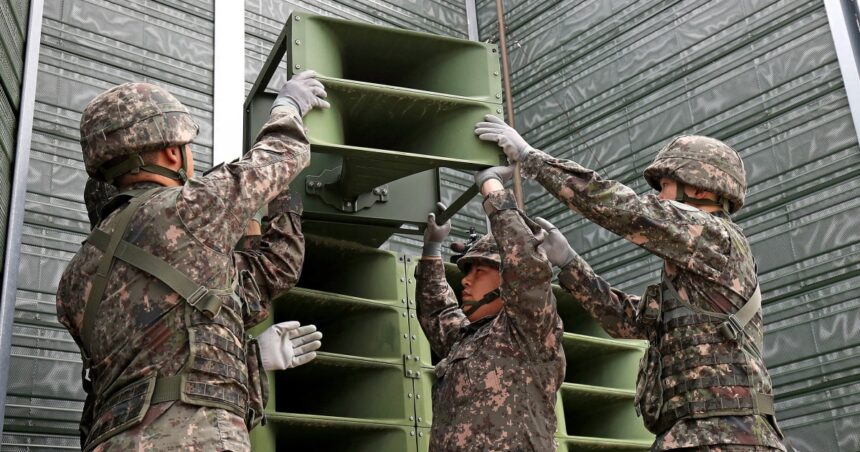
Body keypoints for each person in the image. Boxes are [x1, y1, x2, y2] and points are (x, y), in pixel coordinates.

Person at [476, 116, 786, 451]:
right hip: (697, 436)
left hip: (726, 436)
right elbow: (628, 321)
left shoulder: (713, 235)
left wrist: (531, 157)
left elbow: (623, 208)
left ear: (698, 188)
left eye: (664, 187)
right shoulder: (695, 270)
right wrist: (569, 264)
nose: (658, 198)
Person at [57, 70, 329, 451]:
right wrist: (287, 106)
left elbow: (146, 362)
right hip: (194, 437)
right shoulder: (188, 208)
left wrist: (249, 356)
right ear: (172, 152)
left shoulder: (73, 278)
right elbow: (284, 154)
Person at [415, 166, 566, 451]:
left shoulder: (527, 332)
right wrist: (431, 251)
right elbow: (437, 311)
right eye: (466, 272)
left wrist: (490, 185)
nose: (466, 281)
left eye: (479, 271)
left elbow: (523, 257)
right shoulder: (467, 340)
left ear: (507, 278)